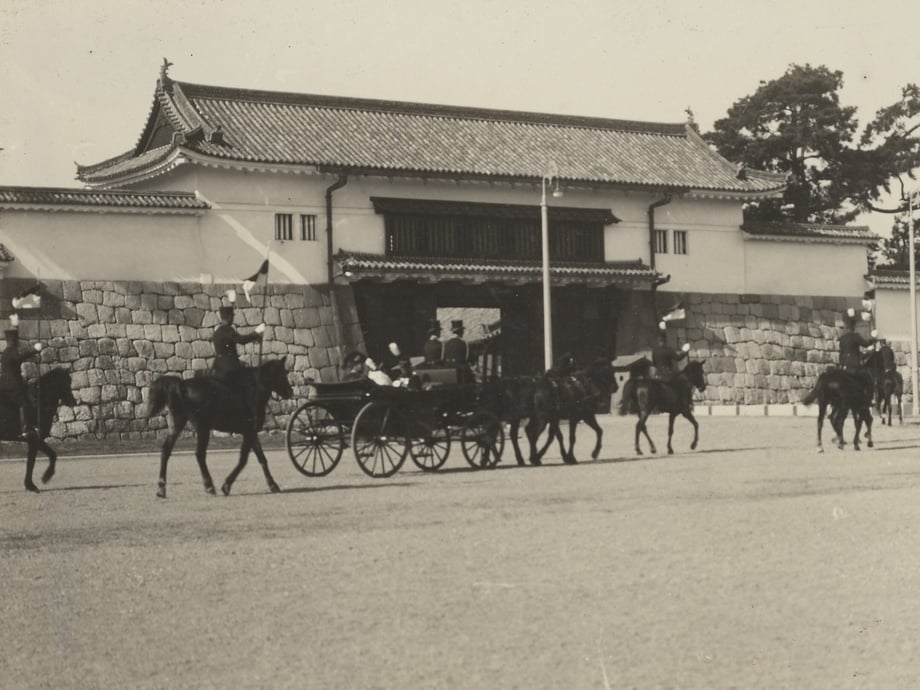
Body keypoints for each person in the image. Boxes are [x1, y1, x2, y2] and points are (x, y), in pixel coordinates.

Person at [211, 304, 264, 413]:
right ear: (229, 317)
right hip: (229, 368)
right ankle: (247, 411)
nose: (233, 318)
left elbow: (226, 351)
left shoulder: (217, 332)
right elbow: (241, 340)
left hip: (218, 366)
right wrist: (256, 334)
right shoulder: (228, 330)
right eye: (232, 316)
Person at [0, 328, 42, 440]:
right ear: (14, 341)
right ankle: (26, 430)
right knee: (24, 404)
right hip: (13, 384)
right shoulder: (11, 351)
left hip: (6, 383)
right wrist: (34, 349)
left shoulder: (6, 351)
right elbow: (19, 357)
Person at [838, 309, 877, 401]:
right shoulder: (855, 336)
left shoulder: (843, 338)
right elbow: (865, 344)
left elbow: (841, 352)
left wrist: (841, 364)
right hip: (855, 365)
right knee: (868, 380)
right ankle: (869, 399)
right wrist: (873, 339)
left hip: (845, 365)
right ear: (854, 326)